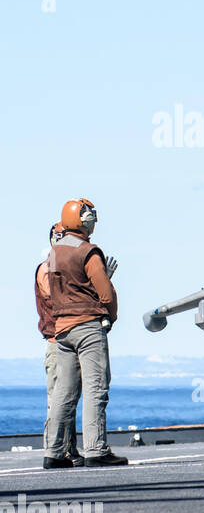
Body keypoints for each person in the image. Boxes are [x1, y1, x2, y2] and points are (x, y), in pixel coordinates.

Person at [45, 199, 127, 467]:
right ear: (80, 219)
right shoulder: (88, 251)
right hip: (88, 327)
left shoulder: (54, 253)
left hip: (62, 330)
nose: (93, 219)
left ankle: (54, 453)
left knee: (63, 392)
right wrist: (110, 317)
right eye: (89, 215)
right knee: (96, 389)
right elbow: (104, 292)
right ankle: (96, 450)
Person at [36, 222, 83, 468]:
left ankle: (69, 449)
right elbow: (55, 299)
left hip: (65, 339)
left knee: (69, 398)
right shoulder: (47, 269)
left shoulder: (58, 269)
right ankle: (54, 450)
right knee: (58, 399)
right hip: (56, 341)